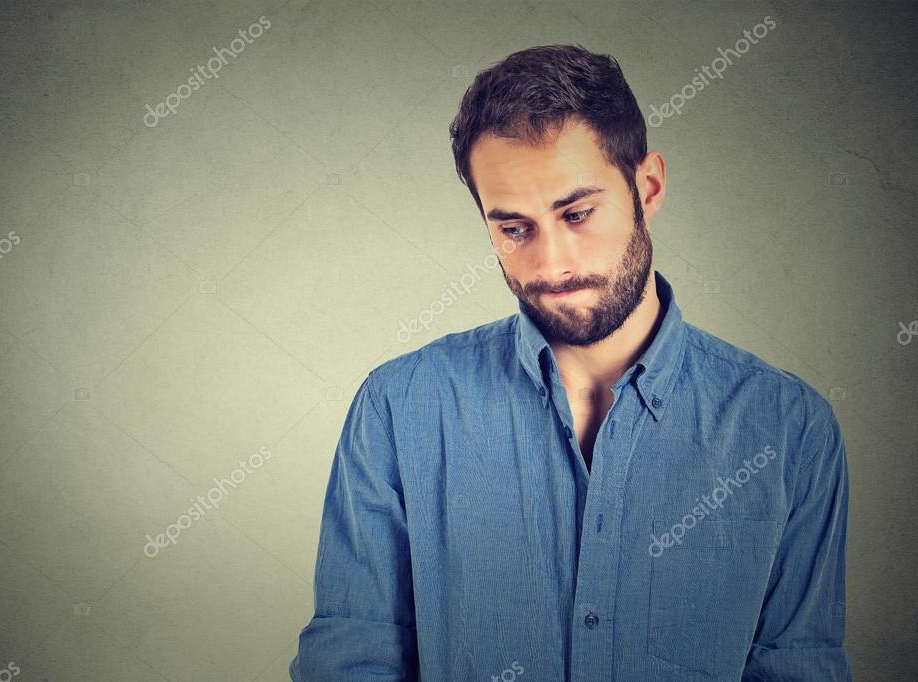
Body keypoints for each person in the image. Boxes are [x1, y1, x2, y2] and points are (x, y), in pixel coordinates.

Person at [290, 43, 851, 681]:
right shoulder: (398, 408)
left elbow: (796, 666)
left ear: (649, 186)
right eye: (514, 228)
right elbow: (350, 660)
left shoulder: (790, 429)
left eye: (577, 213)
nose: (552, 263)